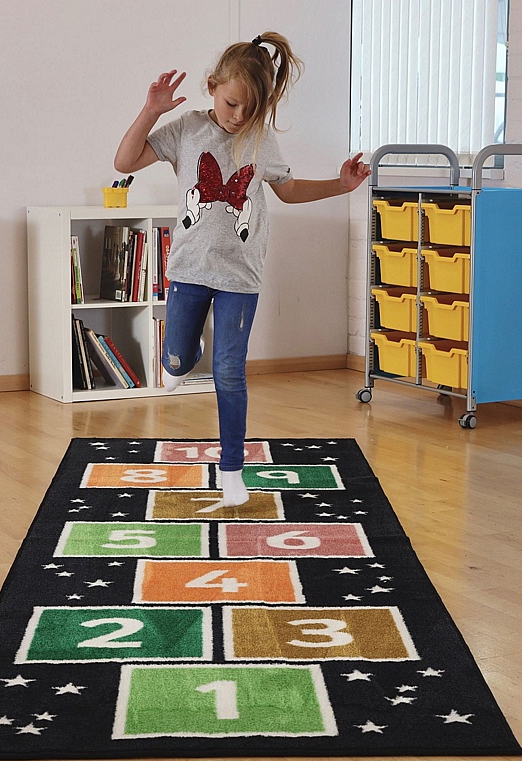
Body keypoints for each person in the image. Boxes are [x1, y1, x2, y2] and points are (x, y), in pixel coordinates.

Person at [114, 31, 370, 507]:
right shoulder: (187, 129)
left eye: (250, 111)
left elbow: (288, 191)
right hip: (189, 269)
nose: (238, 117)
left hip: (240, 276)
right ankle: (183, 357)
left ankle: (232, 468)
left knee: (230, 371)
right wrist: (151, 110)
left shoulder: (261, 140)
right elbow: (124, 161)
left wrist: (340, 185)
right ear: (213, 86)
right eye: (232, 104)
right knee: (175, 362)